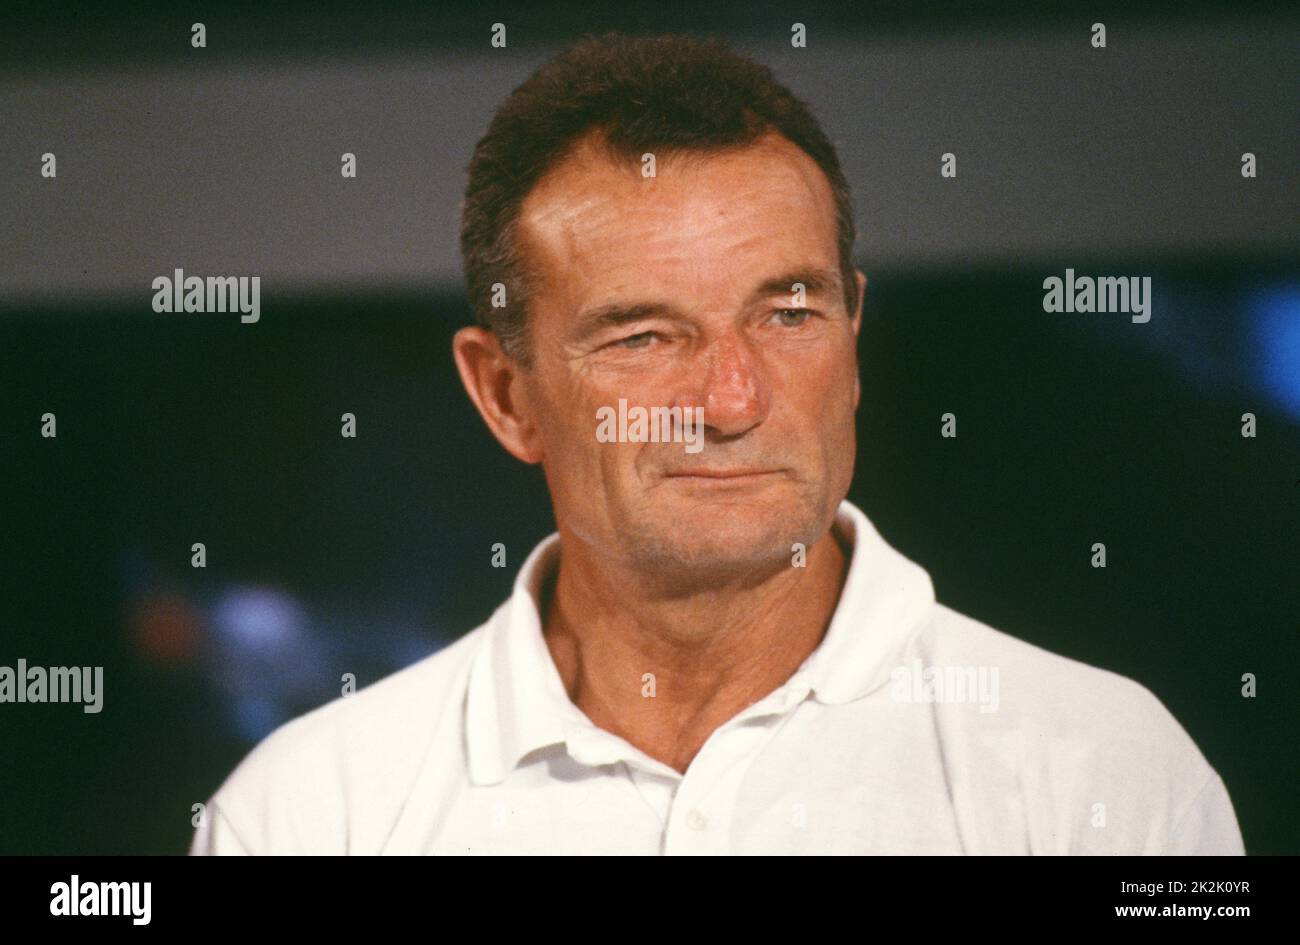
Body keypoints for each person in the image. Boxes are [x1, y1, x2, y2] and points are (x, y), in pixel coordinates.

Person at [190, 32, 1243, 855]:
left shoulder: (1106, 774)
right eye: (644, 336)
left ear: (853, 336)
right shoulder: (307, 816)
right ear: (505, 394)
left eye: (788, 315)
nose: (733, 399)